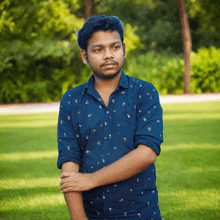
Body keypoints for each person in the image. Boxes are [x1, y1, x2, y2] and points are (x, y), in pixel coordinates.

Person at [57, 15, 163, 220]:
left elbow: (147, 153)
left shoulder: (144, 92)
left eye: (114, 47)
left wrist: (91, 179)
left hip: (141, 211)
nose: (108, 55)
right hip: (92, 213)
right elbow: (69, 164)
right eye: (98, 49)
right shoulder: (71, 100)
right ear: (84, 55)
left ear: (124, 49)